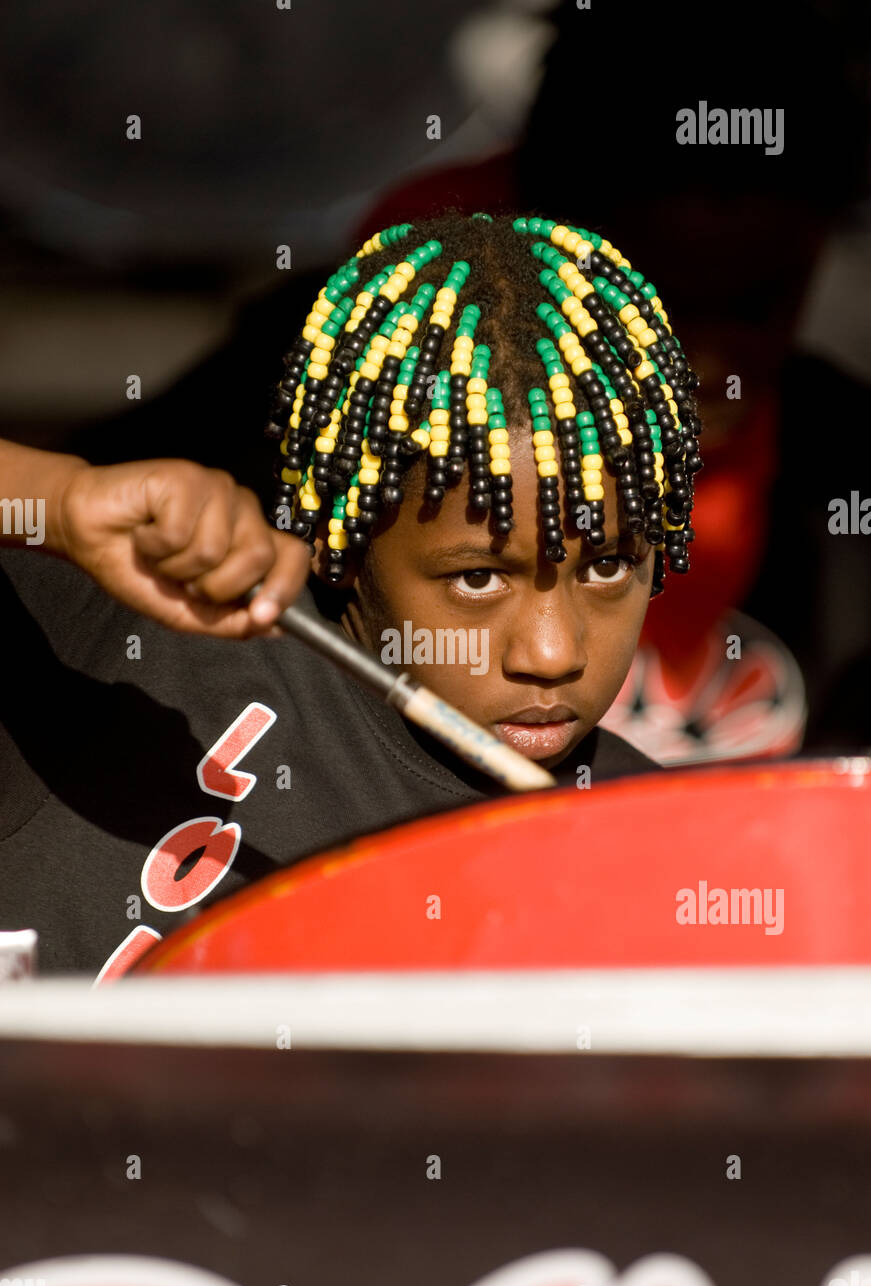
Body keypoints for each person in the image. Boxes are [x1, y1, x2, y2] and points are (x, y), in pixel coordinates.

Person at [0, 213, 702, 978]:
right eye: (475, 578)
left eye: (606, 567)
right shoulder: (147, 639)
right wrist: (59, 501)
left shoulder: (660, 852)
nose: (552, 652)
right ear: (345, 539)